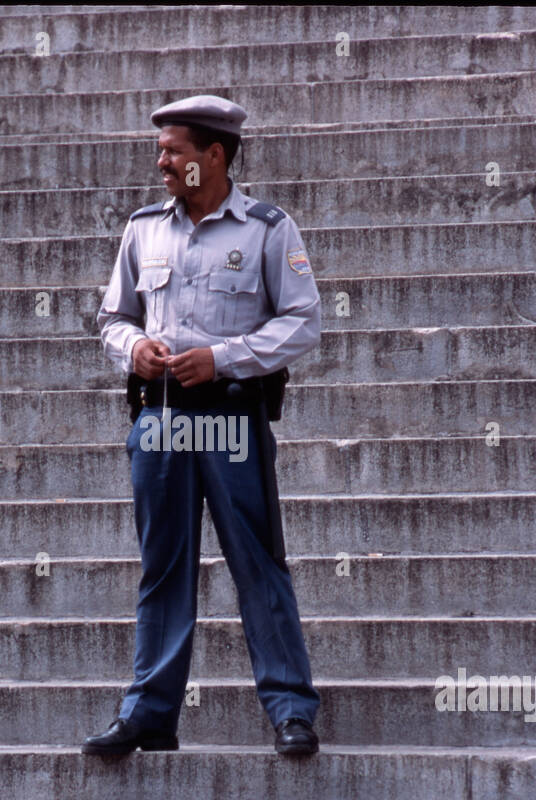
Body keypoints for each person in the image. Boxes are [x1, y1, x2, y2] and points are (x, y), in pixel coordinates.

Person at [84, 94, 323, 757]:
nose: (161, 162)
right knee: (162, 566)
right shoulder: (143, 229)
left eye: (174, 151)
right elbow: (113, 317)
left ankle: (291, 710)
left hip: (231, 416)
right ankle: (150, 713)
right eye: (159, 151)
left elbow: (303, 320)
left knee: (257, 561)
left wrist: (223, 358)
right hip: (160, 419)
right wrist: (134, 347)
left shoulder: (267, 229)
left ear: (213, 155)